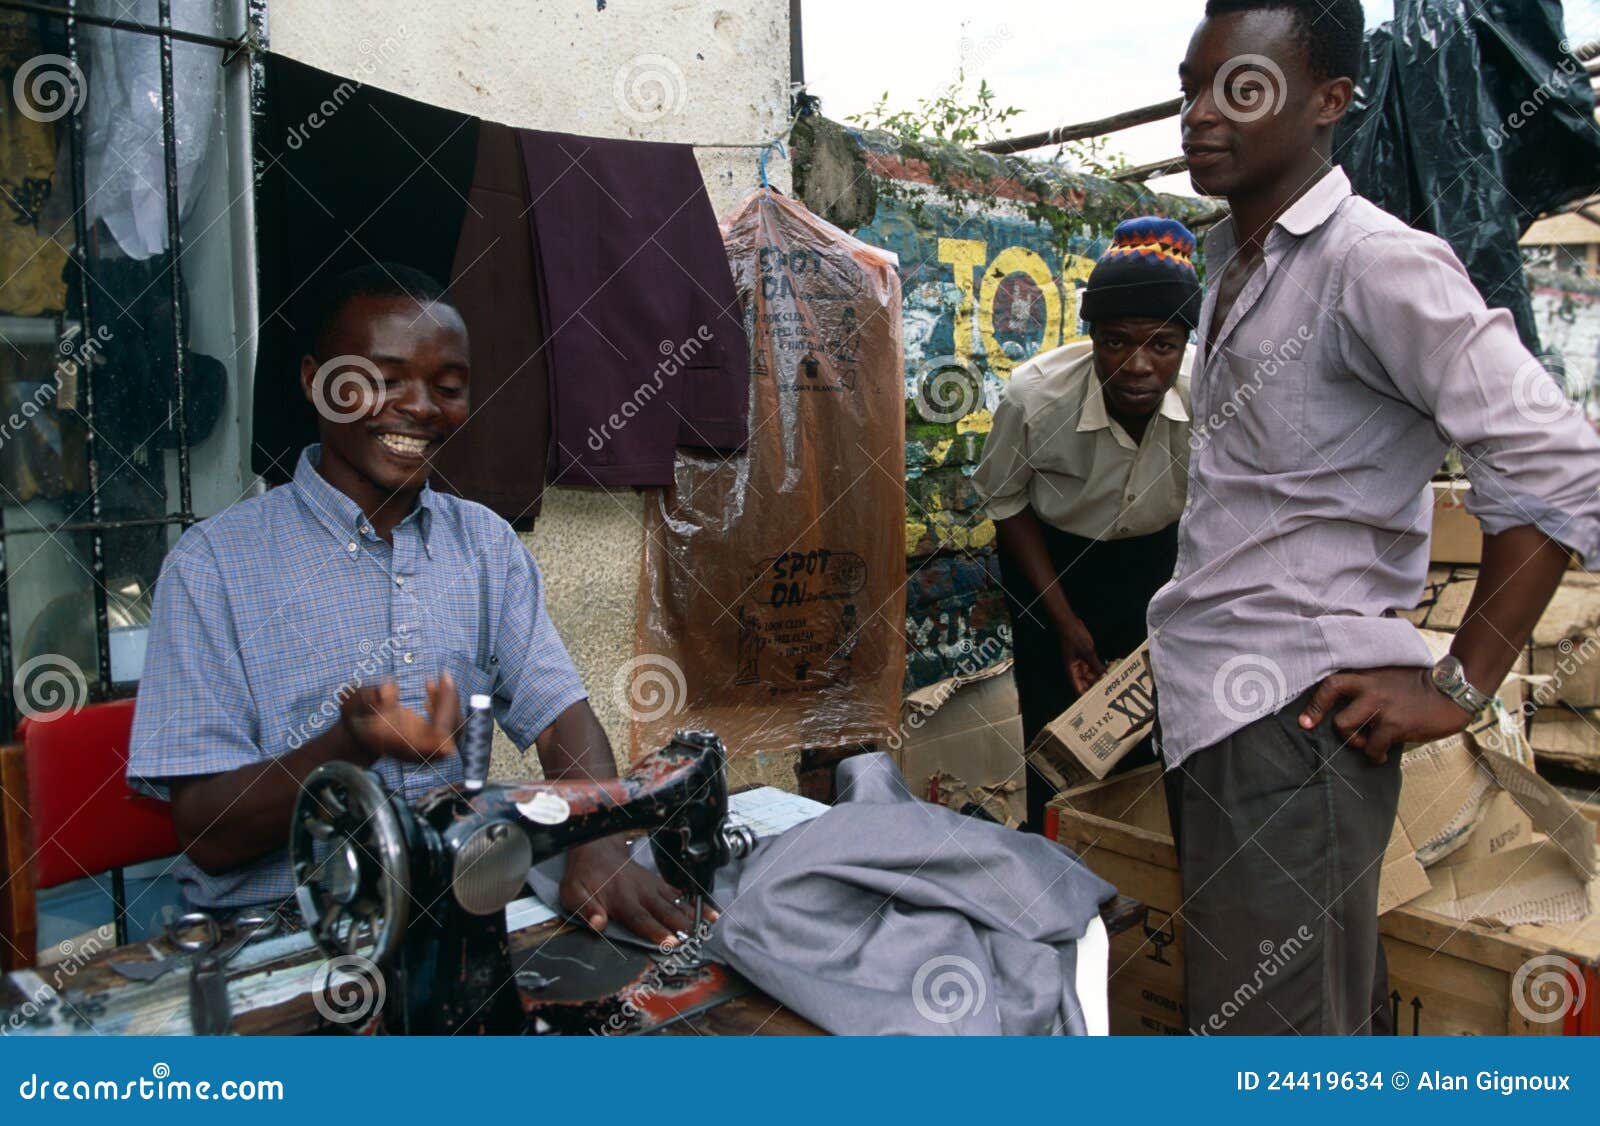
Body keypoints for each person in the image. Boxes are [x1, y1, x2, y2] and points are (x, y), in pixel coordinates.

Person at [1154, 0, 1600, 1034]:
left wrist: (1461, 682)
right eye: (1189, 86)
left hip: (1292, 727)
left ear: (1330, 103)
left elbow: (1563, 466)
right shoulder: (1229, 259)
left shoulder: (1374, 263)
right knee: (1292, 1028)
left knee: (1272, 1055)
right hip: (1219, 714)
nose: (1198, 115)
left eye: (1240, 87)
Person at [128, 264, 699, 946]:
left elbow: (561, 724)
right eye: (384, 379)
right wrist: (349, 748)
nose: (421, 407)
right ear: (316, 382)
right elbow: (208, 836)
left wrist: (601, 842)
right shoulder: (213, 567)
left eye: (448, 387)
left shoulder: (485, 546)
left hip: (451, 913)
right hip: (279, 939)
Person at [973, 218, 1201, 830]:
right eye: (1116, 342)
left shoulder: (1211, 391)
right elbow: (1006, 503)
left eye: (1162, 345)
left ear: (1184, 345)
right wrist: (1065, 623)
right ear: (1093, 337)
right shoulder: (1036, 397)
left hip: (1157, 560)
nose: (1138, 366)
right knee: (1057, 728)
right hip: (1053, 564)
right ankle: (1057, 857)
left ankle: (1140, 848)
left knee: (1159, 717)